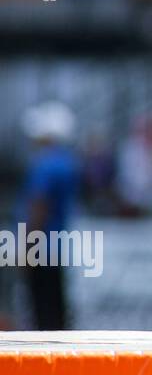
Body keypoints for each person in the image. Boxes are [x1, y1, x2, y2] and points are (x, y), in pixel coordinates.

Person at [15, 101, 81, 330]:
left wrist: (26, 251)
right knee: (55, 314)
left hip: (41, 250)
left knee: (42, 318)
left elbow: (38, 209)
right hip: (56, 250)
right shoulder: (67, 162)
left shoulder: (44, 165)